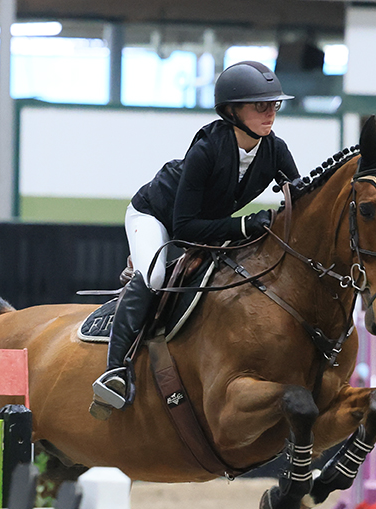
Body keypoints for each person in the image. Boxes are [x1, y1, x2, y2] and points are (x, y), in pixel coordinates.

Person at [90, 60, 300, 419]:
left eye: (274, 105)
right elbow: (185, 228)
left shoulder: (274, 149)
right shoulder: (207, 149)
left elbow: (300, 196)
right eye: (260, 105)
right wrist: (245, 226)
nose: (270, 113)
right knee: (155, 276)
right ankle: (114, 371)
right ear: (232, 111)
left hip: (204, 224)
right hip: (155, 217)